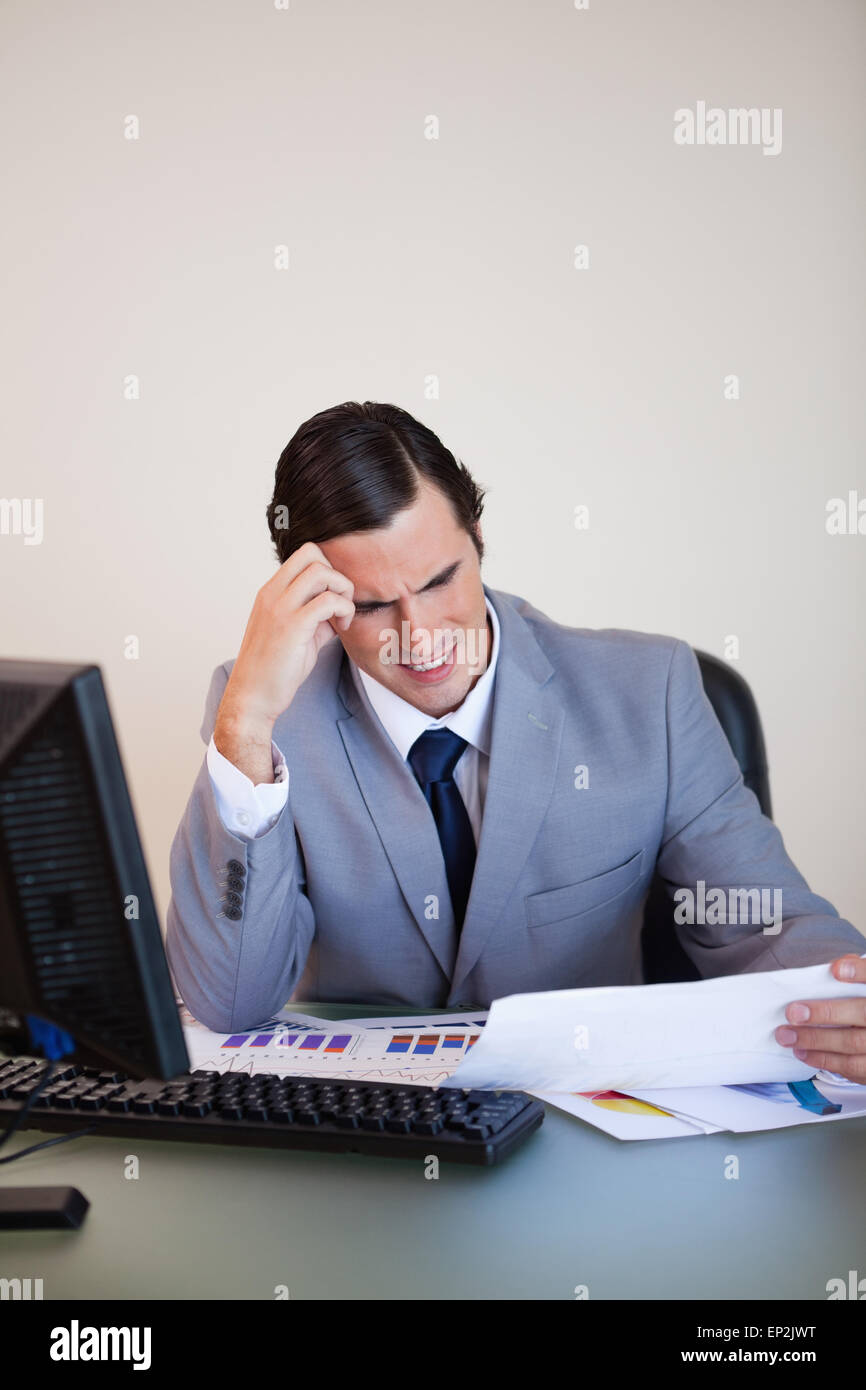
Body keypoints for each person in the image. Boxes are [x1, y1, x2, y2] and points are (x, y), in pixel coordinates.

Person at [165, 401, 866, 1081]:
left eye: (441, 579)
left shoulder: (647, 693)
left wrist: (852, 999)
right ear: (312, 599)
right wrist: (246, 725)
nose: (422, 635)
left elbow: (766, 924)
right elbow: (228, 1002)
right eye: (373, 605)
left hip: (588, 1129)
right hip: (374, 1144)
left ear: (476, 535)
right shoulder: (270, 719)